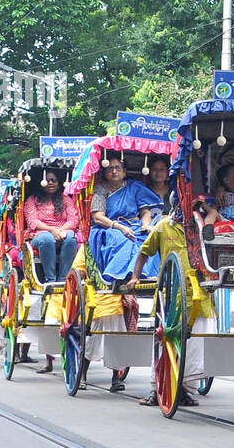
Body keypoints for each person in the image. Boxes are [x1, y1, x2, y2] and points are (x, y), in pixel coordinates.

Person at [130, 193, 214, 408]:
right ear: (175, 204)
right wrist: (135, 276)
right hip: (169, 299)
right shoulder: (162, 226)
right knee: (163, 344)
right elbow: (143, 252)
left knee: (195, 348)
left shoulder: (201, 224)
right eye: (181, 202)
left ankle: (186, 390)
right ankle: (154, 389)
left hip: (198, 296)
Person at [88, 156, 162, 283]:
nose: (114, 171)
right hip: (110, 228)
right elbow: (98, 217)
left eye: (118, 168)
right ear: (105, 172)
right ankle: (124, 276)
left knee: (149, 240)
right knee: (124, 241)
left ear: (124, 171)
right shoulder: (101, 189)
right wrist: (120, 227)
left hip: (135, 225)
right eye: (110, 168)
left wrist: (146, 225)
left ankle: (149, 275)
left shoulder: (134, 187)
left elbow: (145, 212)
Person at [24, 169, 80, 283]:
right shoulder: (32, 200)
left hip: (63, 231)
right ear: (41, 183)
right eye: (47, 180)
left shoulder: (66, 199)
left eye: (53, 180)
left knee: (72, 237)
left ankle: (63, 279)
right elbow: (32, 222)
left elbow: (73, 220)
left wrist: (59, 231)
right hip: (40, 234)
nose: (50, 183)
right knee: (47, 238)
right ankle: (51, 279)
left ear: (58, 183)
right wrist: (52, 230)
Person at [201, 163, 234, 241]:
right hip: (223, 218)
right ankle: (207, 229)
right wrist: (206, 207)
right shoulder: (221, 194)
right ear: (227, 180)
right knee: (212, 212)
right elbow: (214, 208)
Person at [145, 156, 173, 224]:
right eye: (155, 169)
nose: (158, 173)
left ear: (168, 171)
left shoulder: (174, 192)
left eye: (162, 169)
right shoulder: (144, 192)